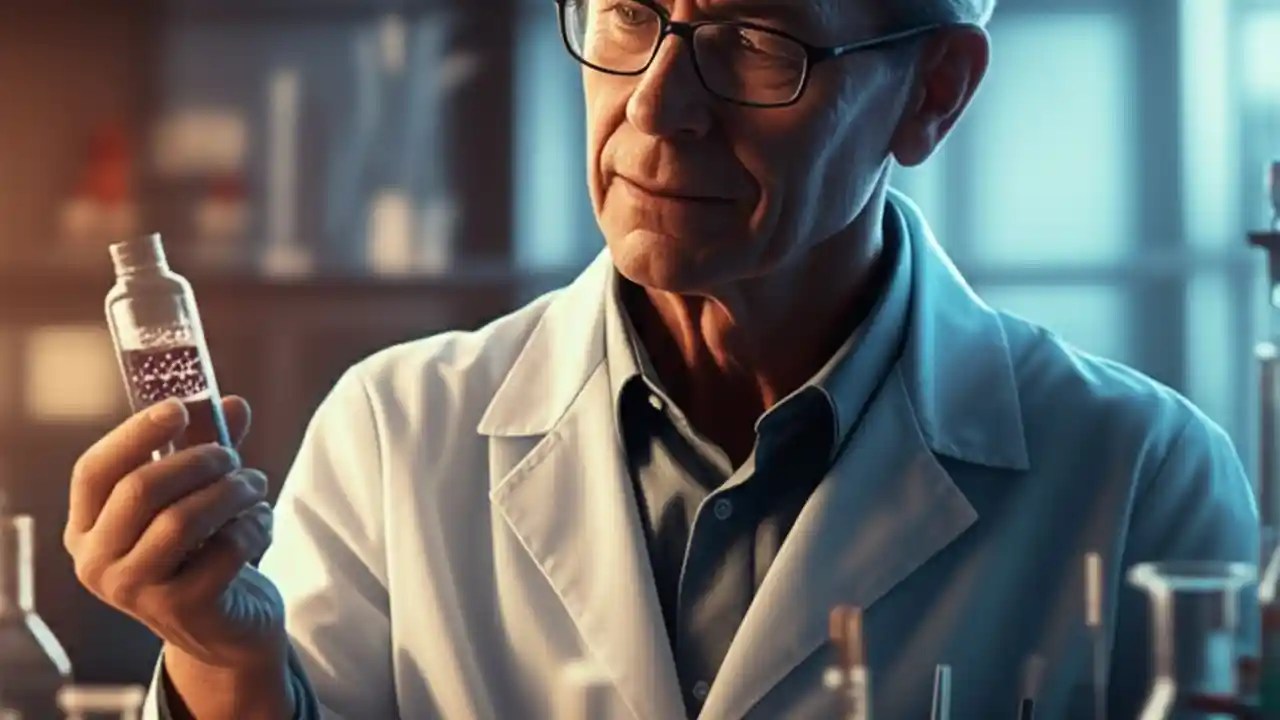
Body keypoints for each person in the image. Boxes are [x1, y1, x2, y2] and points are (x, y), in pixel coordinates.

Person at [64, 0, 1258, 717]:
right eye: (630, 12)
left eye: (752, 43)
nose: (652, 109)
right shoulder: (397, 431)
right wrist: (222, 660)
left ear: (930, 95)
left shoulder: (1138, 475)